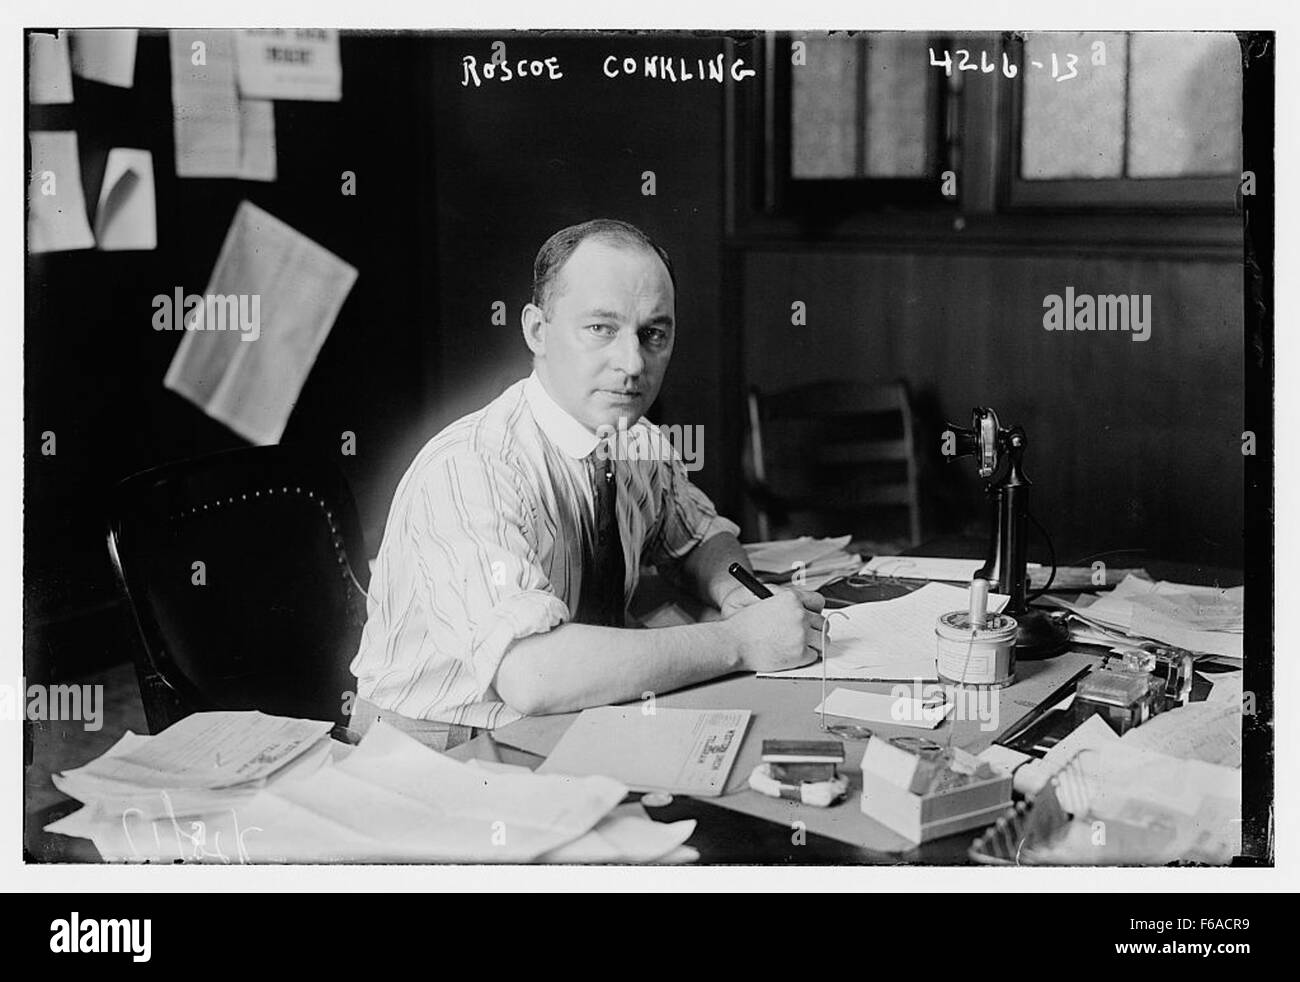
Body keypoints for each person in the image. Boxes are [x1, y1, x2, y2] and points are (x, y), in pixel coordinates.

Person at [348, 219, 823, 749]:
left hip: (563, 722)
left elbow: (700, 535)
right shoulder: (472, 467)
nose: (632, 363)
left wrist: (734, 590)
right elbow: (532, 674)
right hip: (437, 747)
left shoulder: (635, 440)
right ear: (536, 330)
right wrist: (738, 641)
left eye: (654, 334)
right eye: (600, 328)